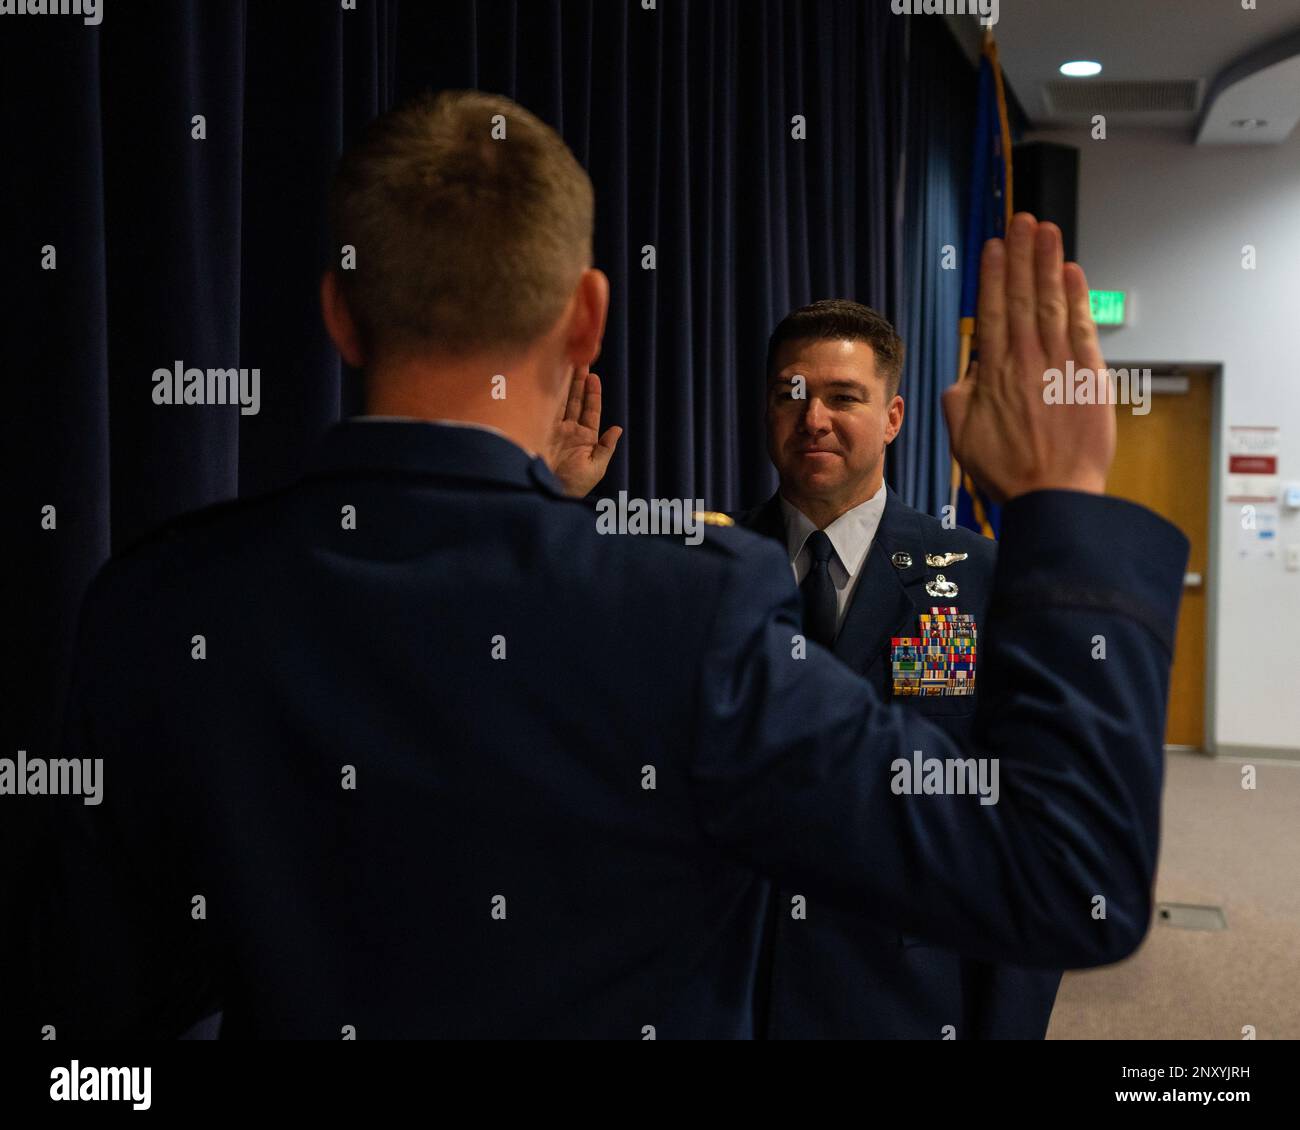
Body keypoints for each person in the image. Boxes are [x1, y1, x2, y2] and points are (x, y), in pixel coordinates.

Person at [42, 90, 1187, 1039]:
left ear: (339, 313)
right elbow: (1063, 876)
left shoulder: (153, 601)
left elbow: (91, 1029)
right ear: (587, 317)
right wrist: (1061, 500)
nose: (815, 420)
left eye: (845, 397)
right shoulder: (696, 599)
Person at [730, 299, 1061, 1039]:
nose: (813, 417)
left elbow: (1023, 830)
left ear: (894, 416)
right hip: (729, 986)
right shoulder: (702, 571)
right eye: (791, 394)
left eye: (844, 397)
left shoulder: (980, 578)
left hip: (903, 992)